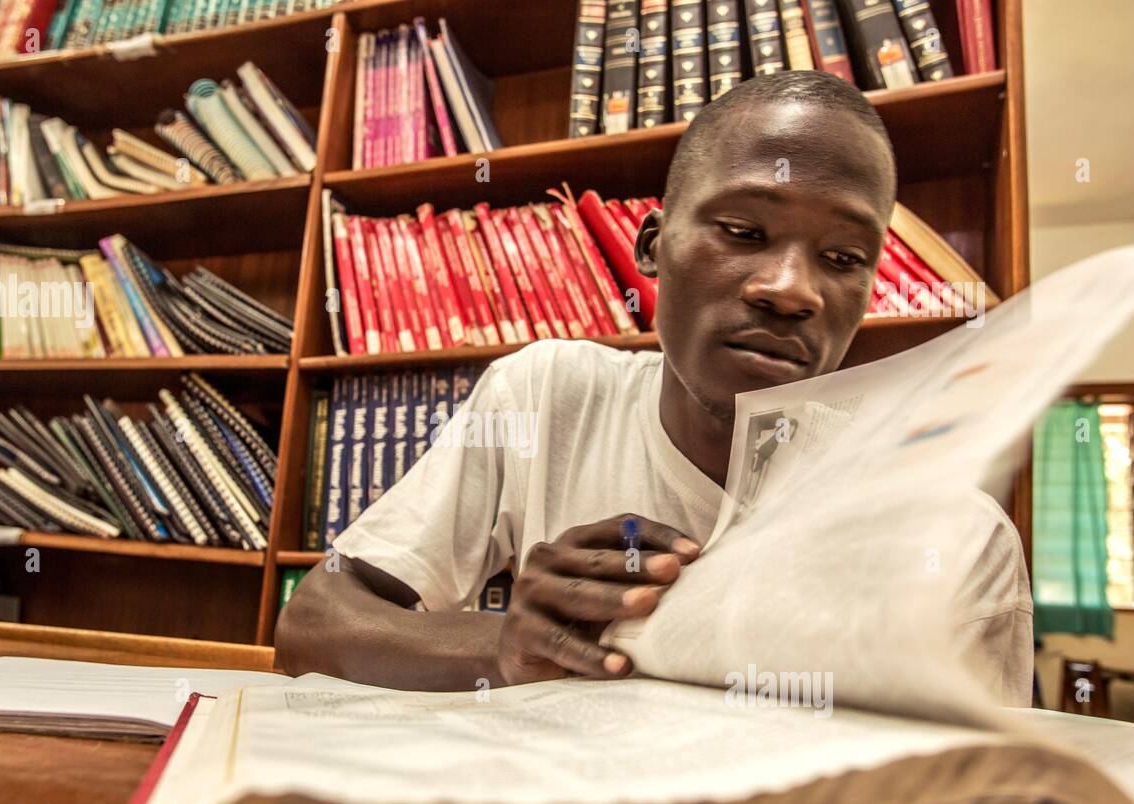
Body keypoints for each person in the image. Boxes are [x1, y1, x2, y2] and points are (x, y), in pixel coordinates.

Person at [276, 71, 1033, 702]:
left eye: (842, 258)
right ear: (653, 247)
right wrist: (504, 645)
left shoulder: (946, 531)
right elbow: (314, 623)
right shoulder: (546, 397)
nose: (790, 288)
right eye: (743, 232)